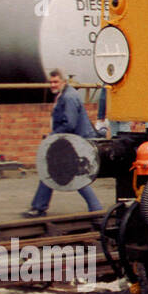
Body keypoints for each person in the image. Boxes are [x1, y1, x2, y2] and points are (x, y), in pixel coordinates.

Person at [22, 68, 102, 218]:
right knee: (53, 171)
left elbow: (70, 124)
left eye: (56, 81)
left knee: (69, 173)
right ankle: (39, 206)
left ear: (63, 82)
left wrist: (52, 135)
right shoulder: (64, 94)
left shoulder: (68, 97)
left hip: (76, 141)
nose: (52, 84)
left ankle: (96, 208)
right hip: (71, 141)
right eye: (51, 82)